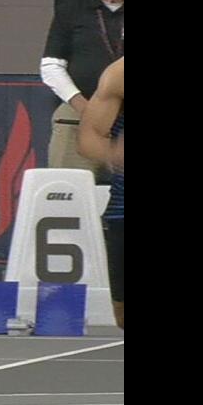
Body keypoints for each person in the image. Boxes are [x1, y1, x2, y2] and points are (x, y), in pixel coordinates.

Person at [41, 0, 123, 173]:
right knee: (69, 191)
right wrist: (84, 107)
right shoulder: (71, 9)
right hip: (77, 114)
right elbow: (51, 66)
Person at [77, 57, 123, 330]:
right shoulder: (119, 74)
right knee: (122, 316)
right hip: (122, 207)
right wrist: (114, 154)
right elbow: (89, 138)